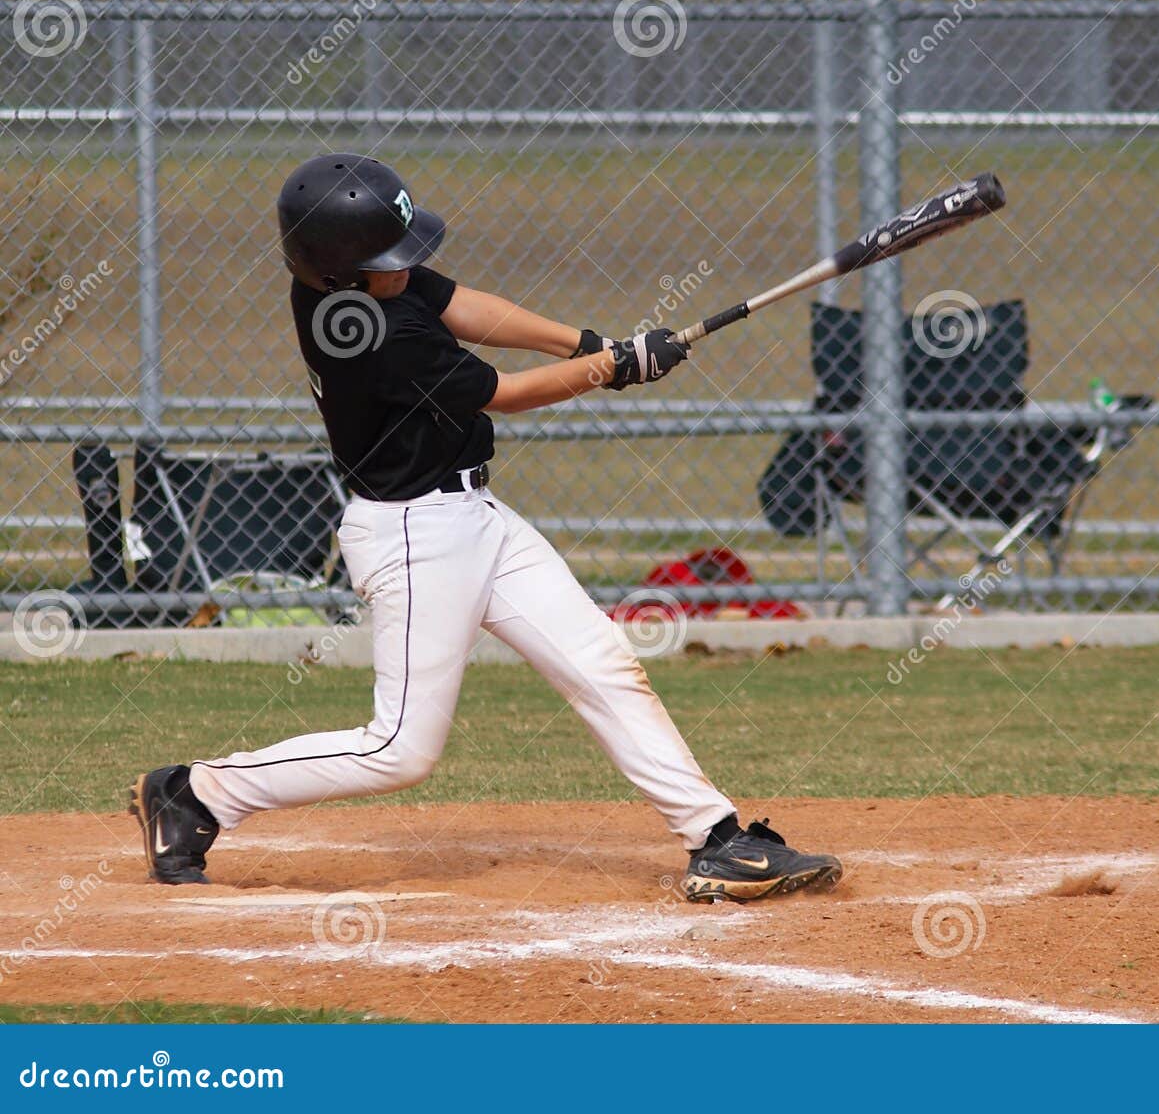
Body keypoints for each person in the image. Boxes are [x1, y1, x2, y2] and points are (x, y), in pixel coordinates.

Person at [128, 153, 841, 905]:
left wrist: (589, 344)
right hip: (414, 536)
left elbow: (466, 304)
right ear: (337, 275)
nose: (407, 269)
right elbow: (506, 393)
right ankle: (196, 793)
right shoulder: (367, 333)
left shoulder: (361, 286)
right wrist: (616, 368)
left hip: (476, 518)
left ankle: (716, 838)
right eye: (387, 261)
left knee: (601, 661)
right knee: (399, 750)